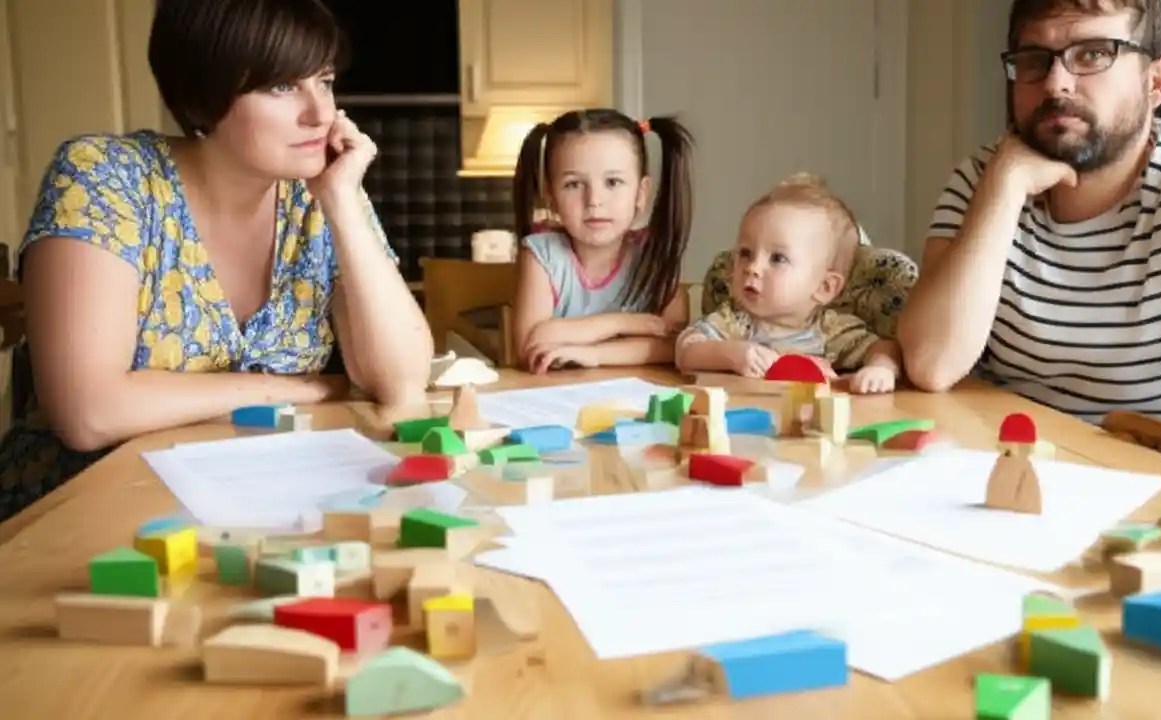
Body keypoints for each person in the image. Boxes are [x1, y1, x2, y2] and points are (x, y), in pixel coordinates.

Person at [0, 0, 432, 521]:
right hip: (83, 515)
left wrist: (342, 203)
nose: (320, 113)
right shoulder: (107, 178)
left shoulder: (319, 193)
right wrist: (297, 389)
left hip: (259, 502)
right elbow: (88, 413)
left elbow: (403, 381)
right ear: (204, 91)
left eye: (324, 81)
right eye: (281, 86)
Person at [896, 0, 1161, 446]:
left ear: (1156, 81)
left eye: (1094, 53)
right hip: (1004, 473)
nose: (1055, 83)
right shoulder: (984, 179)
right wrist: (1006, 186)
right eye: (1035, 60)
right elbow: (931, 362)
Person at [675, 174, 902, 393]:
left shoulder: (829, 331)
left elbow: (883, 348)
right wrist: (732, 354)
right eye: (745, 253)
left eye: (777, 258)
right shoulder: (735, 323)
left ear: (824, 287)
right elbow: (686, 349)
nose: (752, 267)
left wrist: (880, 369)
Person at [511, 109, 694, 374]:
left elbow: (677, 345)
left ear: (641, 193)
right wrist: (626, 323)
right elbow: (530, 344)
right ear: (551, 197)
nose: (594, 200)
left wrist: (593, 354)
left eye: (613, 182)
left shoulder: (655, 257)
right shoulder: (543, 256)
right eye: (574, 184)